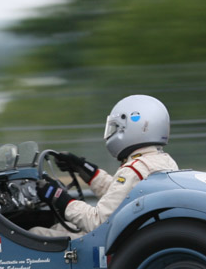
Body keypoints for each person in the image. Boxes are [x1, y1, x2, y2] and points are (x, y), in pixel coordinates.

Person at [30, 94, 178, 238]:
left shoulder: (134, 170)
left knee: (36, 233)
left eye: (116, 127)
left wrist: (59, 197)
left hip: (118, 239)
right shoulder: (163, 161)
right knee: (58, 228)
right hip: (136, 233)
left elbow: (97, 222)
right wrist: (84, 168)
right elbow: (121, 196)